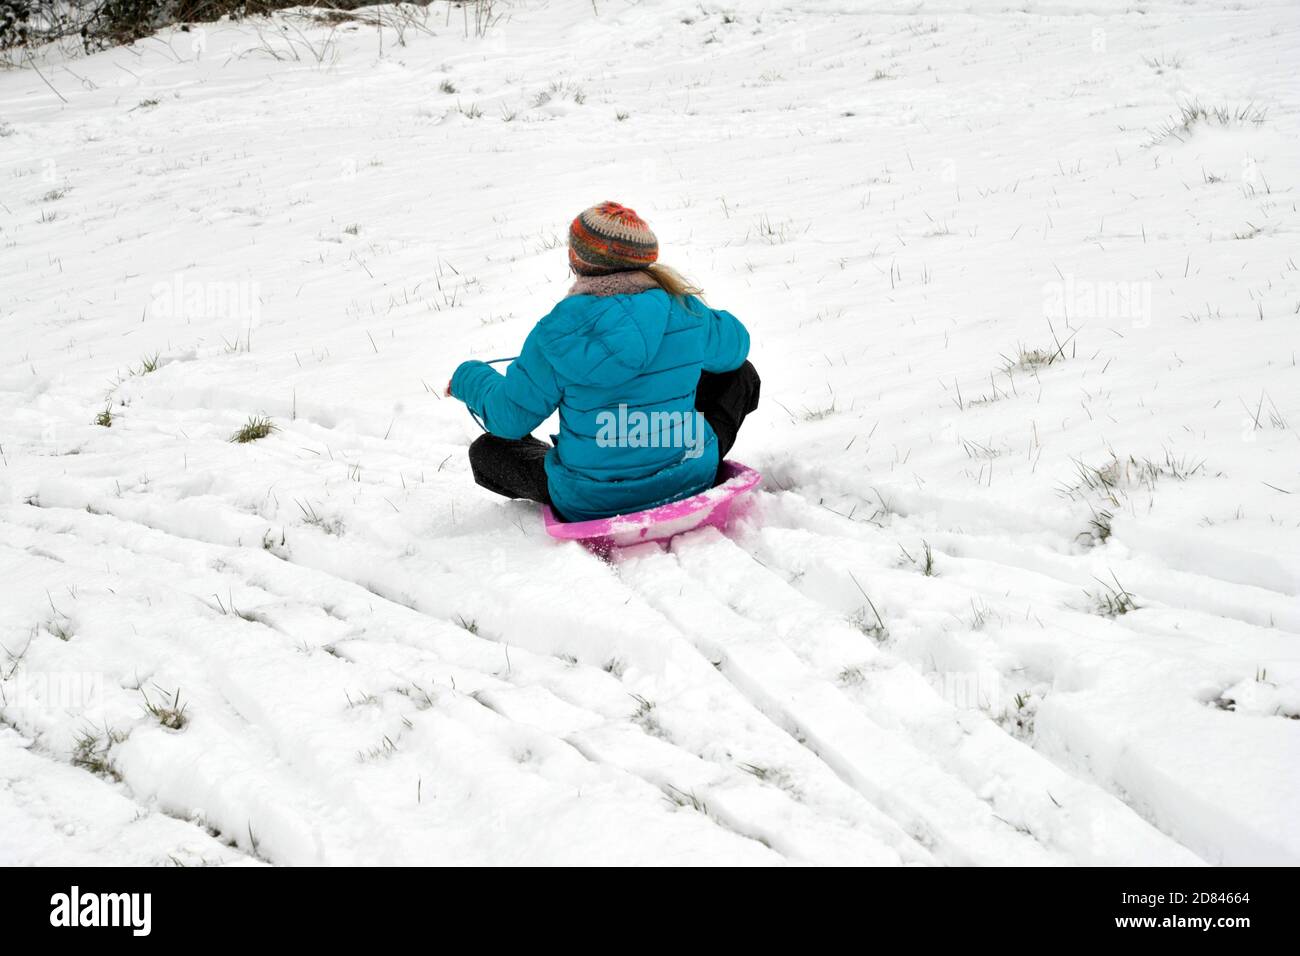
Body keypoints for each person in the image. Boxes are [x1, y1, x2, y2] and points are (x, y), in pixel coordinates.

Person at [446, 201, 760, 523]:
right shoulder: (684, 310)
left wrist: (468, 377)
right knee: (741, 374)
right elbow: (737, 348)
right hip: (689, 477)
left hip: (592, 500)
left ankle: (599, 471)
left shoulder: (554, 333)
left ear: (576, 259)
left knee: (488, 451)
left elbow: (507, 418)